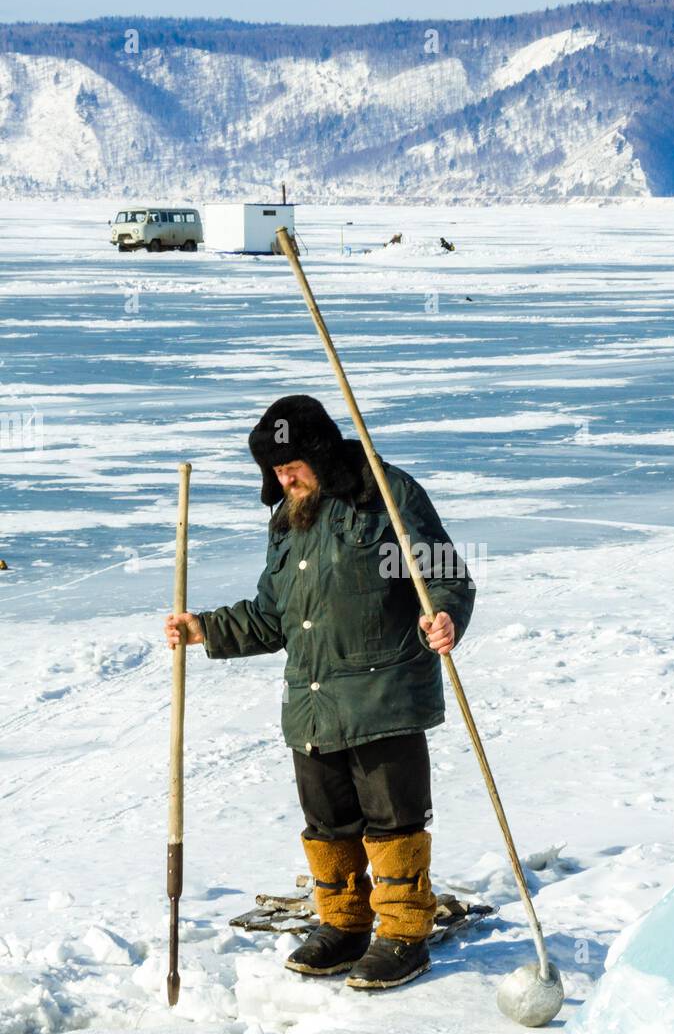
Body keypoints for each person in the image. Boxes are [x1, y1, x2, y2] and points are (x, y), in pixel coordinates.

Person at [164, 395, 476, 990]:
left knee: (393, 821)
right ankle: (344, 925)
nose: (285, 478)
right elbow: (272, 615)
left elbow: (441, 571)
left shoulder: (380, 495)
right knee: (327, 823)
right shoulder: (288, 519)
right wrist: (206, 628)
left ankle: (405, 933)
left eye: (294, 464)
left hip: (384, 694)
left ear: (321, 452)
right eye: (275, 470)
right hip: (311, 702)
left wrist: (444, 614)